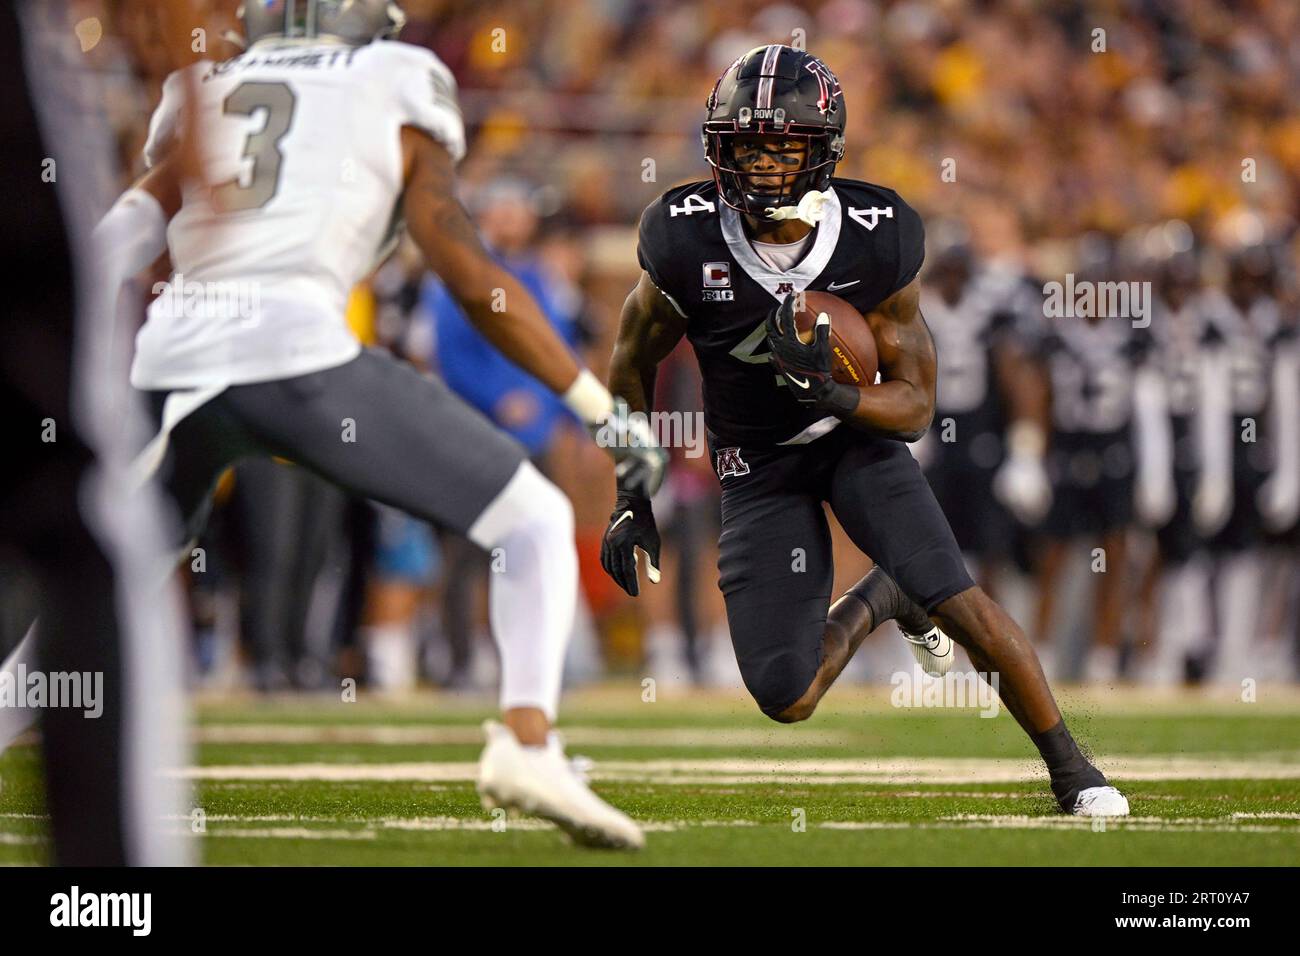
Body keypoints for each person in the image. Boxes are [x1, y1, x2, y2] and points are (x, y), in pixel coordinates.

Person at [92, 0, 665, 849]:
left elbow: (134, 222)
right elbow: (471, 272)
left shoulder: (206, 82)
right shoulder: (397, 77)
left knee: (107, 578)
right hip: (295, 354)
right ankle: (527, 745)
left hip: (171, 359)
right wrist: (598, 406)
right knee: (534, 518)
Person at [602, 44, 1128, 817]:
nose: (763, 165)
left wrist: (837, 398)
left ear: (823, 150)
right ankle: (883, 596)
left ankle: (1075, 771)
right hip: (756, 465)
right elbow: (628, 364)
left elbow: (914, 404)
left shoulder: (875, 235)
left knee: (961, 603)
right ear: (719, 146)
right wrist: (630, 491)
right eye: (747, 145)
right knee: (786, 695)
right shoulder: (684, 237)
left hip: (856, 442)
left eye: (782, 146)